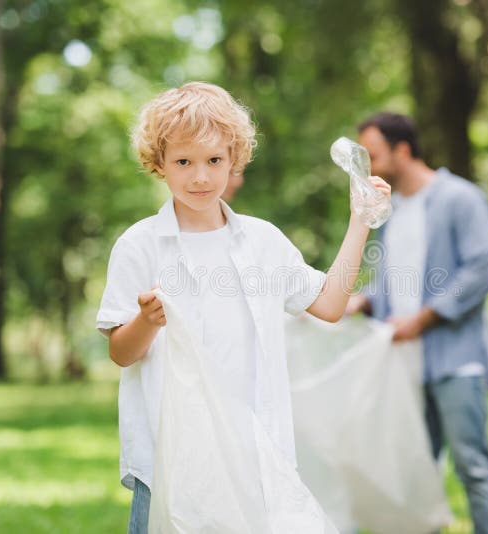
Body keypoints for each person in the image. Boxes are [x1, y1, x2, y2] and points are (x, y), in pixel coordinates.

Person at [95, 81, 390, 533]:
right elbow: (121, 352)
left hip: (255, 455)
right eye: (183, 162)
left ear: (235, 159)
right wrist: (146, 322)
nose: (200, 176)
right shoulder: (140, 246)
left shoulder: (263, 242)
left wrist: (360, 221)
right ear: (159, 164)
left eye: (214, 160)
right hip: (171, 461)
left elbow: (331, 304)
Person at [347, 112, 488, 534]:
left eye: (374, 155)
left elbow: (481, 268)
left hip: (457, 361)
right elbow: (392, 283)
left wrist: (422, 320)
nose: (367, 167)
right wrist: (361, 302)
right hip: (406, 365)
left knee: (473, 467)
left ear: (403, 150)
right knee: (417, 475)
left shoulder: (460, 198)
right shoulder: (391, 212)